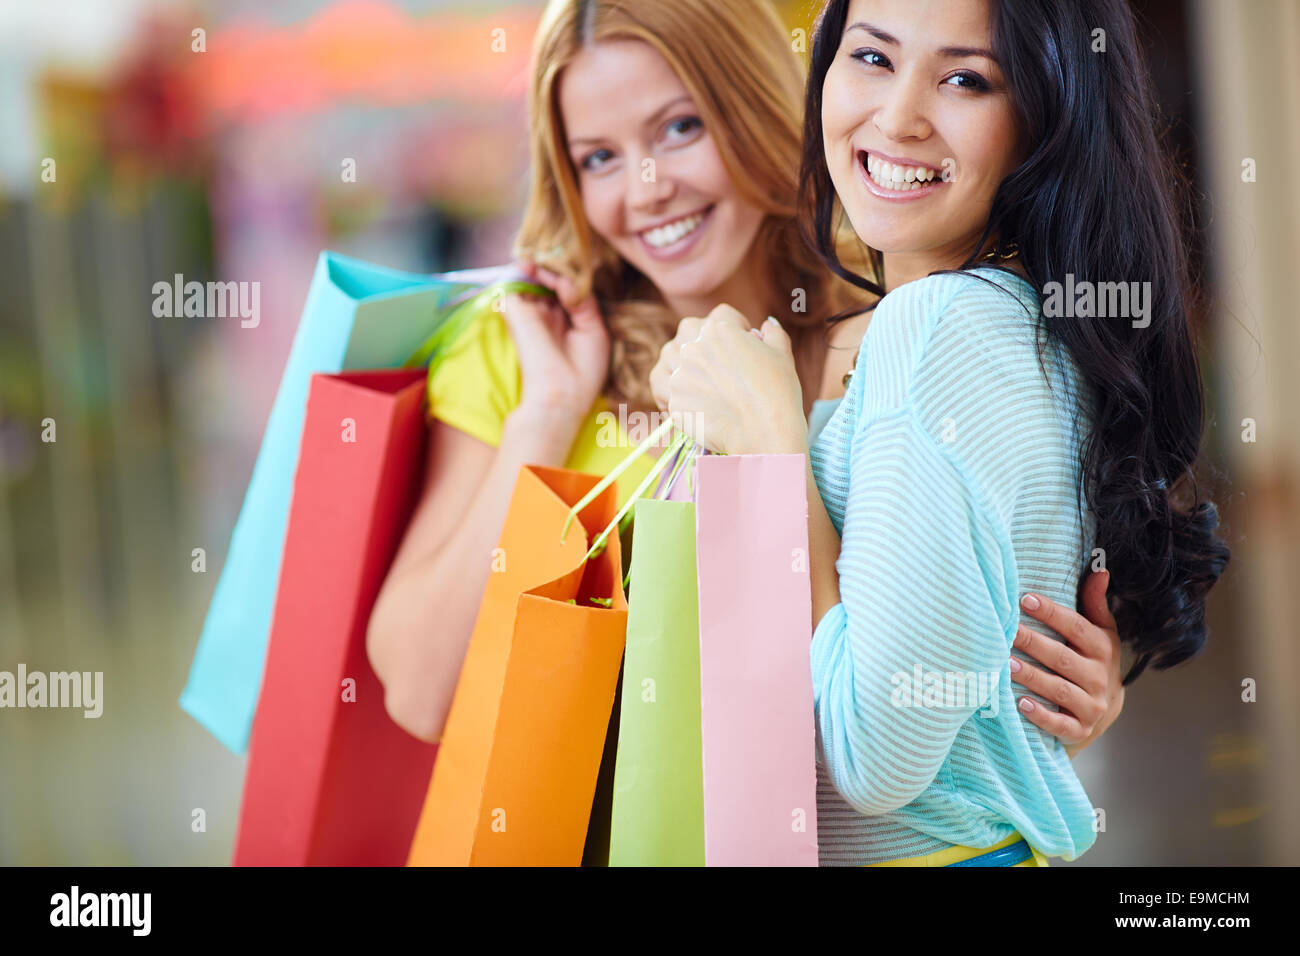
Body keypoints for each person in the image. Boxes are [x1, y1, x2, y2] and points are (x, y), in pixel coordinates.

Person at [366, 0, 1126, 788]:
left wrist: (1060, 704)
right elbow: (423, 690)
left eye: (679, 128)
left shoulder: (895, 336)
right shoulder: (525, 353)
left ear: (759, 105)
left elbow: (931, 695)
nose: (647, 189)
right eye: (597, 159)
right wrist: (547, 417)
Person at [654, 0, 1228, 865]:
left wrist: (777, 453)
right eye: (873, 58)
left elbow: (877, 760)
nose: (897, 116)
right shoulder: (1013, 326)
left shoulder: (937, 332)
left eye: (965, 78)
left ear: (1046, 118)